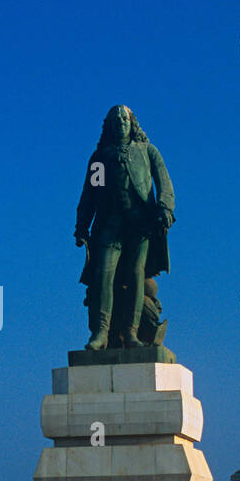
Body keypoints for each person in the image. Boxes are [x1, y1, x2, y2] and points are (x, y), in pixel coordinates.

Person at [75, 104, 174, 350]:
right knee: (103, 276)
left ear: (132, 124)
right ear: (109, 126)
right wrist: (82, 224)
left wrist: (165, 209)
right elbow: (90, 193)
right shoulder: (100, 158)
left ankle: (132, 333)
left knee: (135, 275)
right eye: (116, 120)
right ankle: (101, 333)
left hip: (140, 227)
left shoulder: (148, 151)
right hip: (109, 225)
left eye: (124, 120)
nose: (120, 123)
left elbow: (164, 183)